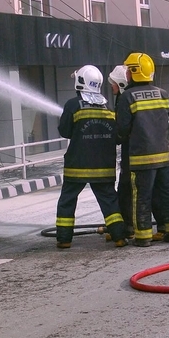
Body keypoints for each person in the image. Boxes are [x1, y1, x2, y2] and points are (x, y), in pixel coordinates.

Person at [54, 65, 126, 249]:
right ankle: (119, 236)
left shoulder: (73, 105)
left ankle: (64, 239)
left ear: (80, 82)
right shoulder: (108, 107)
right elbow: (117, 136)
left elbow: (65, 131)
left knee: (67, 200)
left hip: (77, 166)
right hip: (104, 166)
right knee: (109, 200)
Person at [116, 52, 169, 247]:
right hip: (164, 157)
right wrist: (167, 138)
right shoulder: (162, 93)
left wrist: (122, 138)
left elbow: (121, 129)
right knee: (167, 194)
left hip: (141, 159)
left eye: (129, 70)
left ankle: (143, 236)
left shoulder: (127, 97)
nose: (126, 74)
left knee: (142, 197)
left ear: (135, 72)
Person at [107, 64, 133, 240]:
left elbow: (123, 128)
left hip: (132, 152)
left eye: (114, 83)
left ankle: (129, 227)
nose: (112, 86)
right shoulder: (124, 98)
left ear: (122, 84)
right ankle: (128, 226)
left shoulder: (125, 99)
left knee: (126, 189)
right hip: (131, 150)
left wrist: (114, 136)